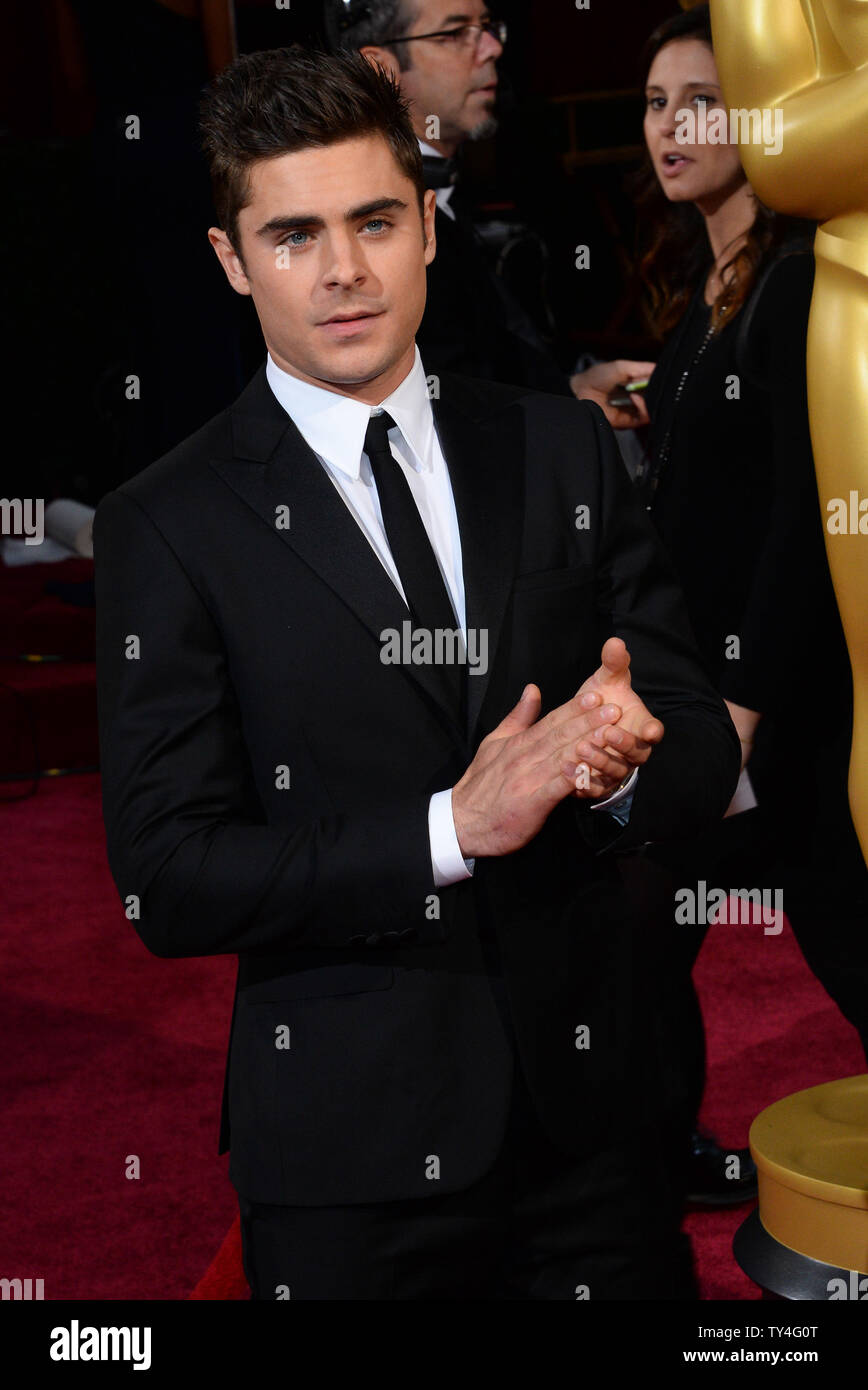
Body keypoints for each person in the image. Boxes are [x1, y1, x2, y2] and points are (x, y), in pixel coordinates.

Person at [93, 45, 740, 1300]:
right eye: (292, 236)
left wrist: (612, 768)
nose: (342, 271)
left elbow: (699, 740)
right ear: (232, 260)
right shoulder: (168, 523)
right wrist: (454, 825)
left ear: (428, 228)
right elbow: (168, 876)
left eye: (375, 221)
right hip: (352, 1162)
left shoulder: (561, 450)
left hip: (599, 1125)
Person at [579, 4, 868, 1201]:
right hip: (711, 690)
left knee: (833, 928)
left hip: (788, 699)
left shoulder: (801, 279)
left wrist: (742, 706)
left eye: (702, 101)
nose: (671, 126)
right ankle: (648, 1162)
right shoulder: (708, 292)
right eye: (654, 104)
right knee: (655, 926)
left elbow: (808, 518)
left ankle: (641, 1171)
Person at [324, 0, 654, 403]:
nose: (492, 48)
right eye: (453, 33)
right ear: (381, 69)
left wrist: (570, 392)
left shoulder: (452, 189)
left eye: (486, 27)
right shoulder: (365, 218)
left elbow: (486, 370)